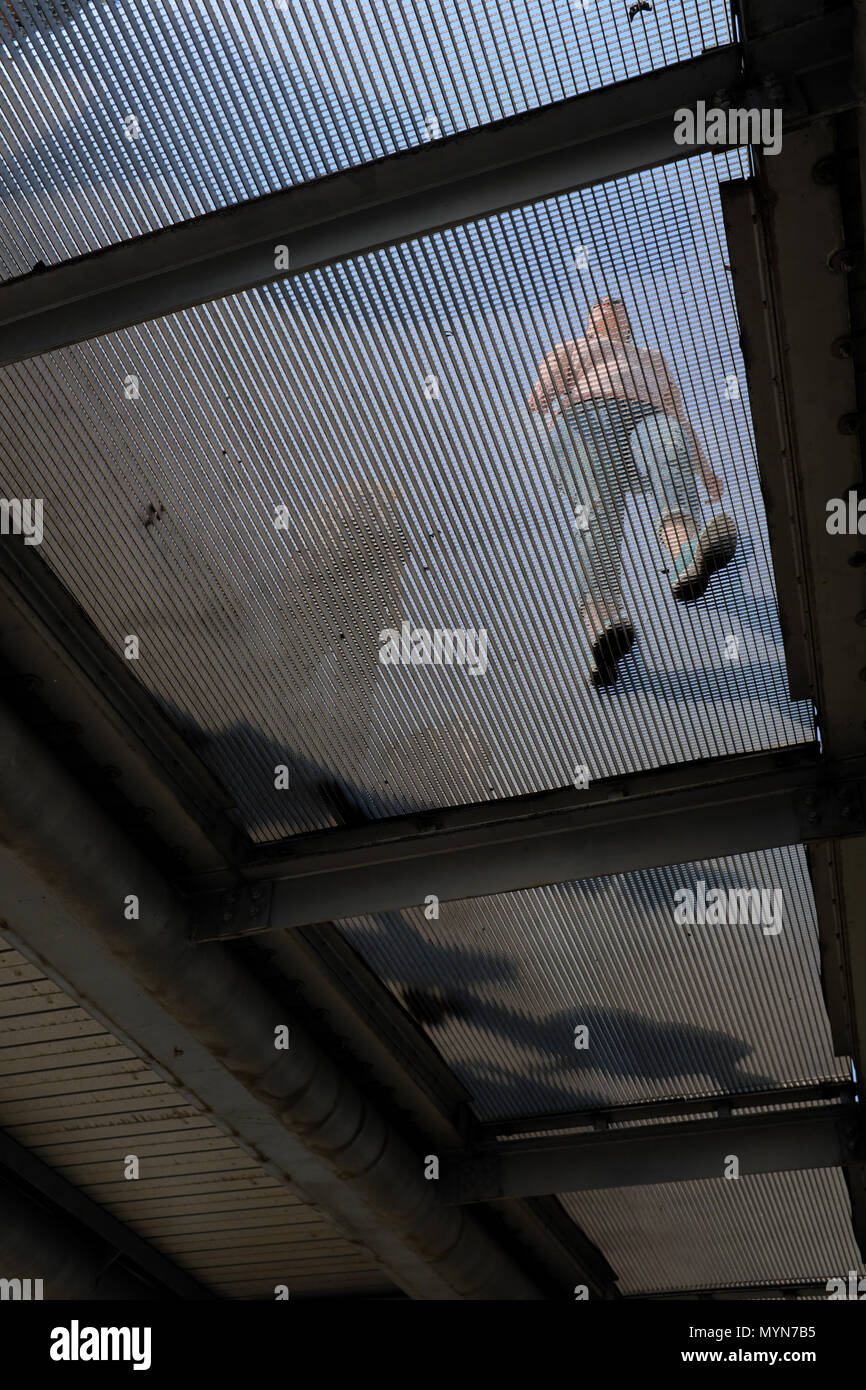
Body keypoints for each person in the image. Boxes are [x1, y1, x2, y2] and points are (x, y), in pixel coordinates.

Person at [528, 295, 738, 686]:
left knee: (669, 447)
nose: (609, 306)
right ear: (589, 322)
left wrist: (702, 466)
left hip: (647, 418)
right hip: (586, 421)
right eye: (600, 306)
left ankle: (687, 561)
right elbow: (541, 396)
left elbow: (677, 413)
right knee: (597, 516)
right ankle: (604, 629)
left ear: (627, 324)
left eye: (618, 307)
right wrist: (546, 389)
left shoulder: (650, 357)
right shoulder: (572, 348)